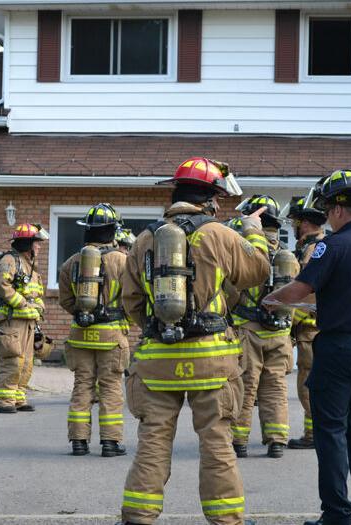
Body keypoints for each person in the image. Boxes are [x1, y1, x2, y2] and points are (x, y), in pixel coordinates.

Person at [118, 157, 270, 525]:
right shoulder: (219, 234)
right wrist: (253, 232)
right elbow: (259, 272)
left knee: (153, 441)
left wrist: (158, 328)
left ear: (175, 195)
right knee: (216, 441)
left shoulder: (145, 238)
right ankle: (226, 520)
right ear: (211, 199)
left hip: (157, 360)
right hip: (212, 360)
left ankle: (137, 516)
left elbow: (131, 302)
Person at [264, 170, 351, 525]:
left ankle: (338, 514)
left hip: (340, 349)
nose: (326, 217)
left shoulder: (332, 245)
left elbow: (300, 289)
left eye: (326, 210)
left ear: (338, 209)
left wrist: (271, 299)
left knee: (332, 433)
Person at [227, 195, 300, 459]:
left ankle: (239, 441)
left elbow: (231, 291)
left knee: (245, 386)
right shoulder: (287, 255)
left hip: (248, 330)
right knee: (276, 387)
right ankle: (277, 440)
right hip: (280, 333)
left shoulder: (246, 250)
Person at [58, 203, 130, 457]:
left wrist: (83, 313)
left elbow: (65, 300)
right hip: (111, 336)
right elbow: (133, 298)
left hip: (80, 335)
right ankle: (110, 442)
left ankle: (78, 441)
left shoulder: (71, 262)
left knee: (82, 386)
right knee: (111, 388)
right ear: (112, 231)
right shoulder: (123, 261)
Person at [282, 195, 328, 450]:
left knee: (308, 384)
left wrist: (289, 322)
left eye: (295, 221)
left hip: (311, 328)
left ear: (305, 222)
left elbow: (309, 291)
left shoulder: (314, 249)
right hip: (312, 328)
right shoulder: (313, 245)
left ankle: (314, 435)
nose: (293, 225)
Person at [0, 223, 48, 413]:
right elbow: (1, 284)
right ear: (27, 244)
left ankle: (18, 398)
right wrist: (23, 303)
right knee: (13, 361)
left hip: (28, 322)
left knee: (26, 363)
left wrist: (39, 307)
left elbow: (36, 293)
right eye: (36, 243)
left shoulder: (30, 265)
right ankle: (5, 401)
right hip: (12, 322)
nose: (39, 247)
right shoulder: (9, 260)